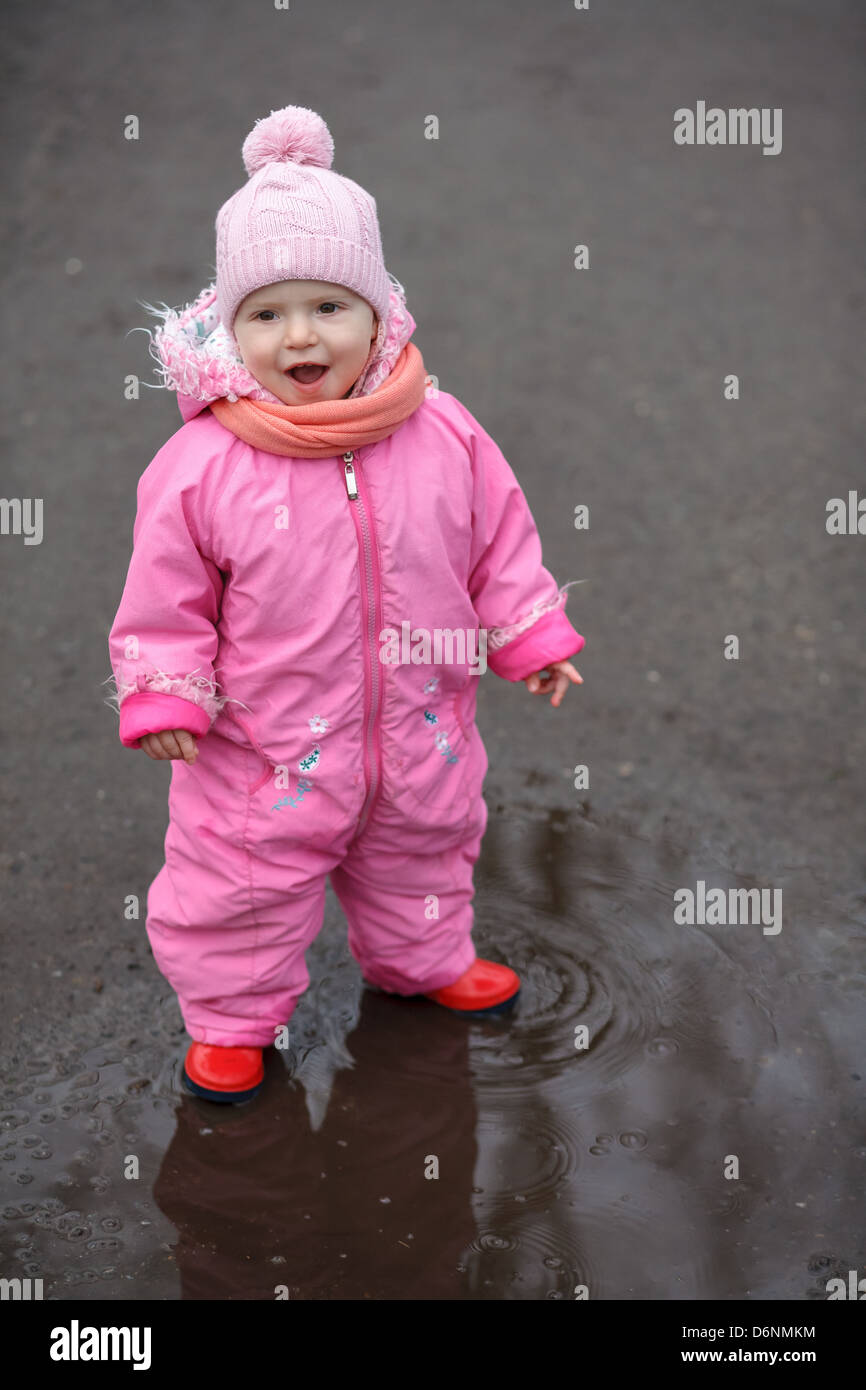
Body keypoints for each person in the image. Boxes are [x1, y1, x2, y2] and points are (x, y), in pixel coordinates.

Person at [105, 104, 586, 1104]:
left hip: (419, 727)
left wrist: (527, 630)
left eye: (328, 306)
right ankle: (234, 1020)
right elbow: (166, 596)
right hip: (267, 748)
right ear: (234, 331)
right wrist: (163, 692)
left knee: (425, 849)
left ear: (379, 317)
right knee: (239, 886)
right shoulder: (201, 467)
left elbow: (497, 536)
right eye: (269, 314)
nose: (301, 335)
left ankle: (421, 960)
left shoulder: (442, 432)